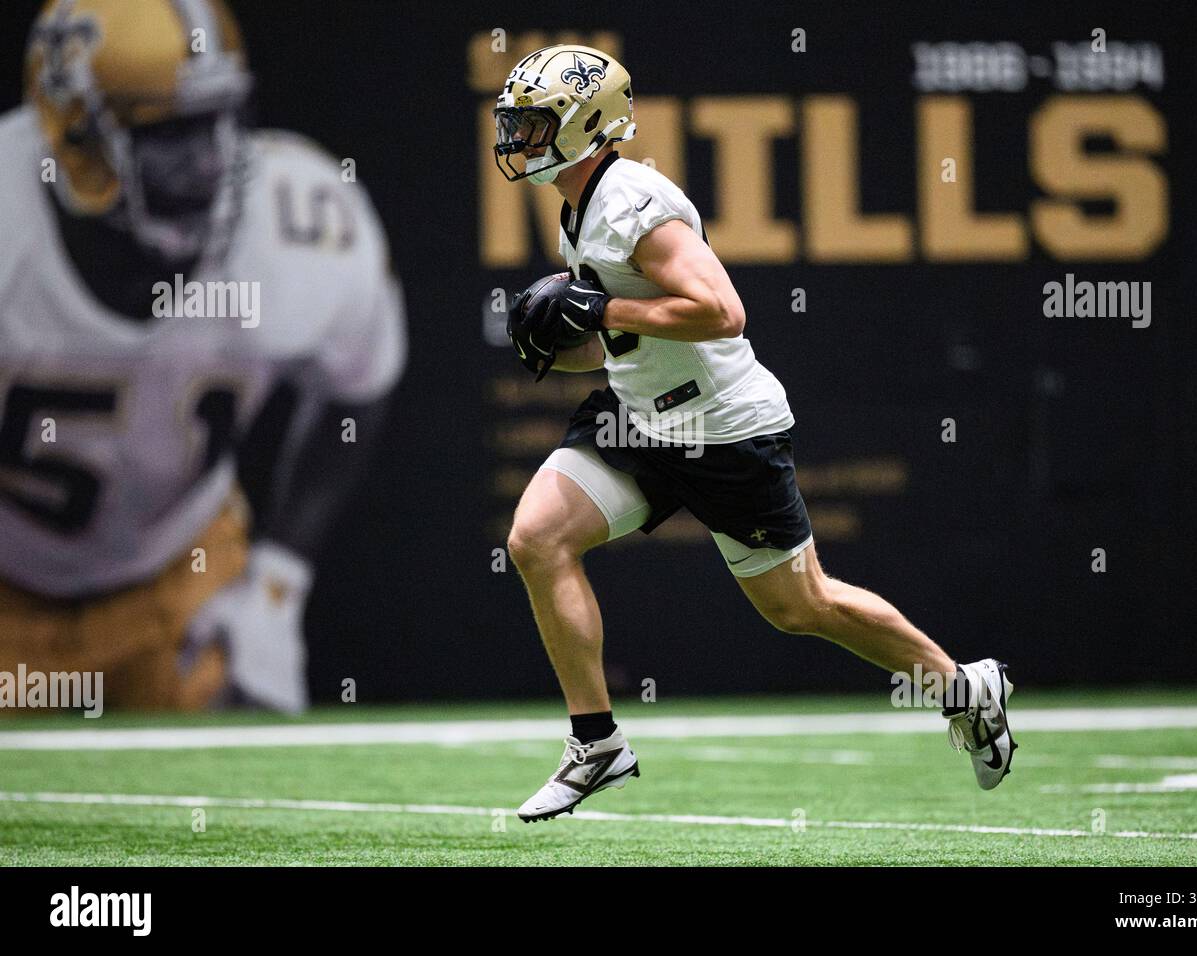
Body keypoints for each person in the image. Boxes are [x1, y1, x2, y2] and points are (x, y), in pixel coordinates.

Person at [493, 45, 1016, 822]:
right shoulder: (579, 204)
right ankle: (596, 743)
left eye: (535, 125)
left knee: (800, 606)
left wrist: (599, 311)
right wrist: (559, 342)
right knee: (536, 539)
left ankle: (960, 685)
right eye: (516, 124)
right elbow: (622, 339)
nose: (519, 140)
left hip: (720, 426)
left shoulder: (630, 200)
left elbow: (721, 312)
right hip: (641, 412)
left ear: (587, 126)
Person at [0, 0, 405, 712]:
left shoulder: (296, 223)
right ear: (78, 137)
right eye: (173, 132)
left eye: (222, 119)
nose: (213, 161)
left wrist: (276, 589)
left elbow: (359, 386)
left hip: (178, 577)